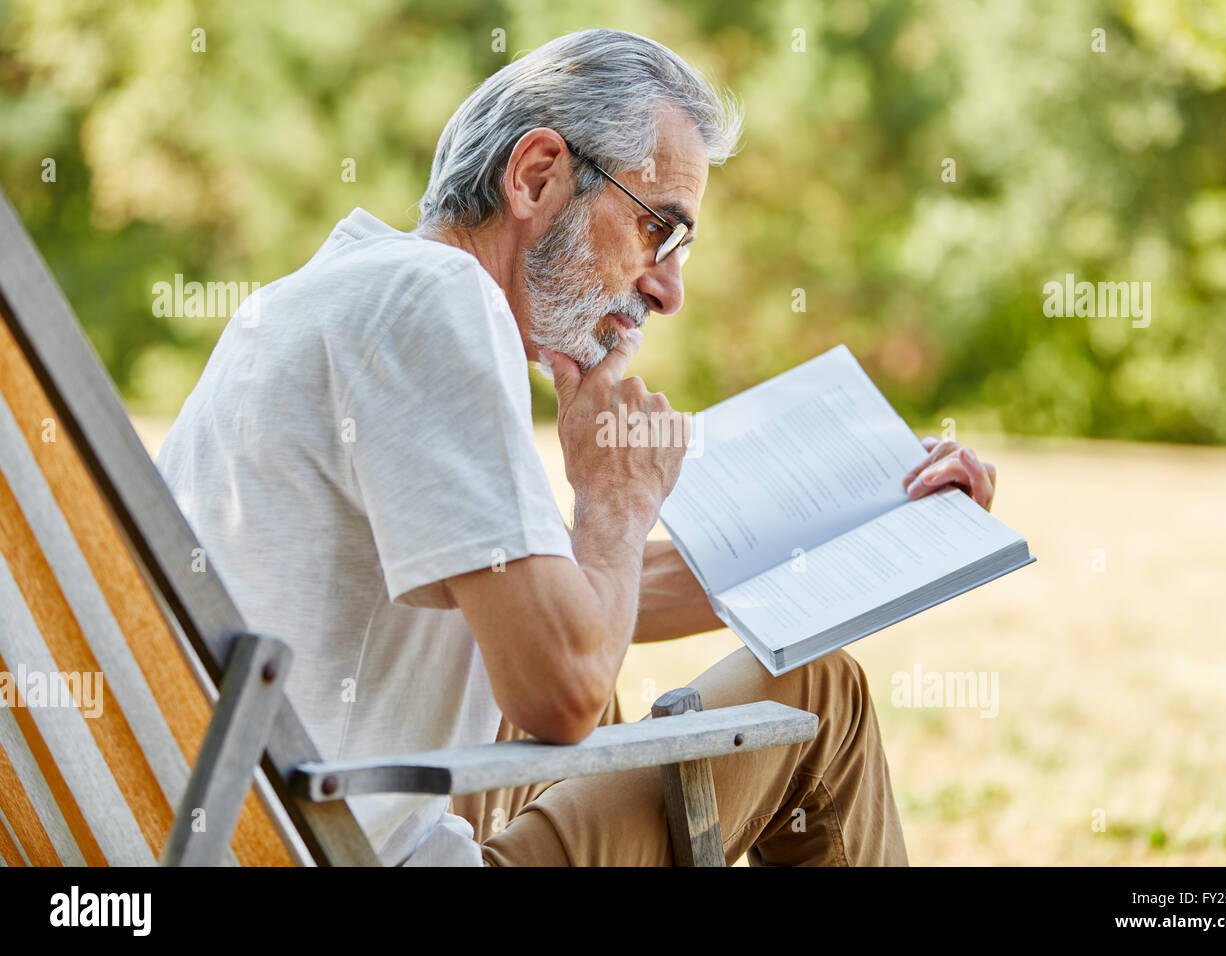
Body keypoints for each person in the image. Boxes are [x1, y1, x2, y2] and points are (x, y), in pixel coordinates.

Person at [158, 28, 997, 867]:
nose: (669, 291)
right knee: (820, 693)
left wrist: (872, 521)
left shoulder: (341, 292)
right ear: (536, 177)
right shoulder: (438, 303)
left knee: (620, 694)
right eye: (658, 232)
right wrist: (617, 495)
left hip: (245, 817)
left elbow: (564, 596)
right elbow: (559, 688)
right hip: (334, 845)